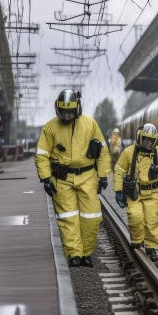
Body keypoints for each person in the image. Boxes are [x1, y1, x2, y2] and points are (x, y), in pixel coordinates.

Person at [35, 89, 111, 267]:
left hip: (88, 176)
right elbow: (42, 154)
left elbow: (103, 151)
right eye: (64, 112)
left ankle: (86, 253)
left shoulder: (90, 124)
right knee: (68, 217)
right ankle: (74, 254)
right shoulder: (50, 127)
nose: (67, 115)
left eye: (71, 112)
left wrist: (103, 176)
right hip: (61, 179)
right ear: (58, 110)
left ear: (78, 108)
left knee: (91, 217)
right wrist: (46, 178)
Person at [113, 123, 158, 262]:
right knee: (135, 217)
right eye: (145, 139)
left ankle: (151, 247)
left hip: (152, 194)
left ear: (155, 140)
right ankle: (137, 240)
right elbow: (119, 171)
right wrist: (118, 191)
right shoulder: (129, 152)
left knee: (151, 221)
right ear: (140, 137)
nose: (148, 143)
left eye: (151, 140)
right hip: (135, 193)